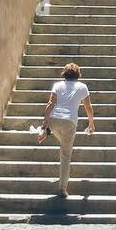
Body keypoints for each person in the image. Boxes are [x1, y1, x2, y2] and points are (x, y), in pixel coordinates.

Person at [38, 62, 95, 198]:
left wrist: (43, 126)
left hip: (54, 119)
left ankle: (48, 131)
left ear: (64, 73)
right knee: (65, 156)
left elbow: (50, 104)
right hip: (69, 122)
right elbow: (88, 107)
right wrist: (91, 123)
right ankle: (62, 188)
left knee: (59, 134)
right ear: (78, 75)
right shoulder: (82, 87)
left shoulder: (57, 85)